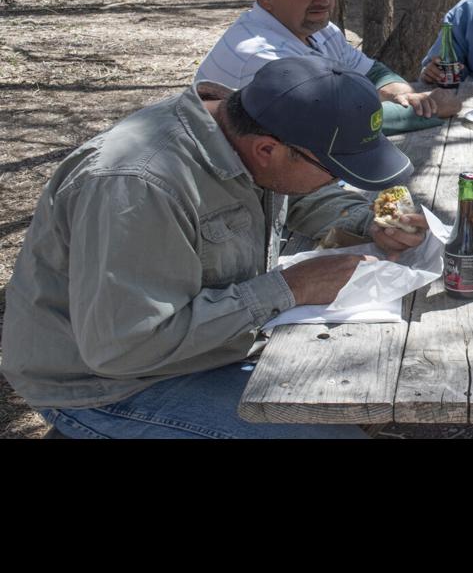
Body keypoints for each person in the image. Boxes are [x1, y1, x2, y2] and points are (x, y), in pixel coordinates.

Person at [2, 57, 427, 440]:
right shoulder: (137, 186)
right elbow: (125, 347)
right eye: (332, 169)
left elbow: (298, 192)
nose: (335, 180)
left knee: (371, 380)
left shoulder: (246, 135)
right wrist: (290, 289)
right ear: (267, 149)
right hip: (107, 386)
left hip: (198, 354)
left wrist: (367, 220)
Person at [194, 0, 460, 135]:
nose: (322, 0)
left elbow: (371, 71)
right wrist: (432, 107)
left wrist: (404, 93)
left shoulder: (317, 29)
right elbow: (334, 123)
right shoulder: (260, 53)